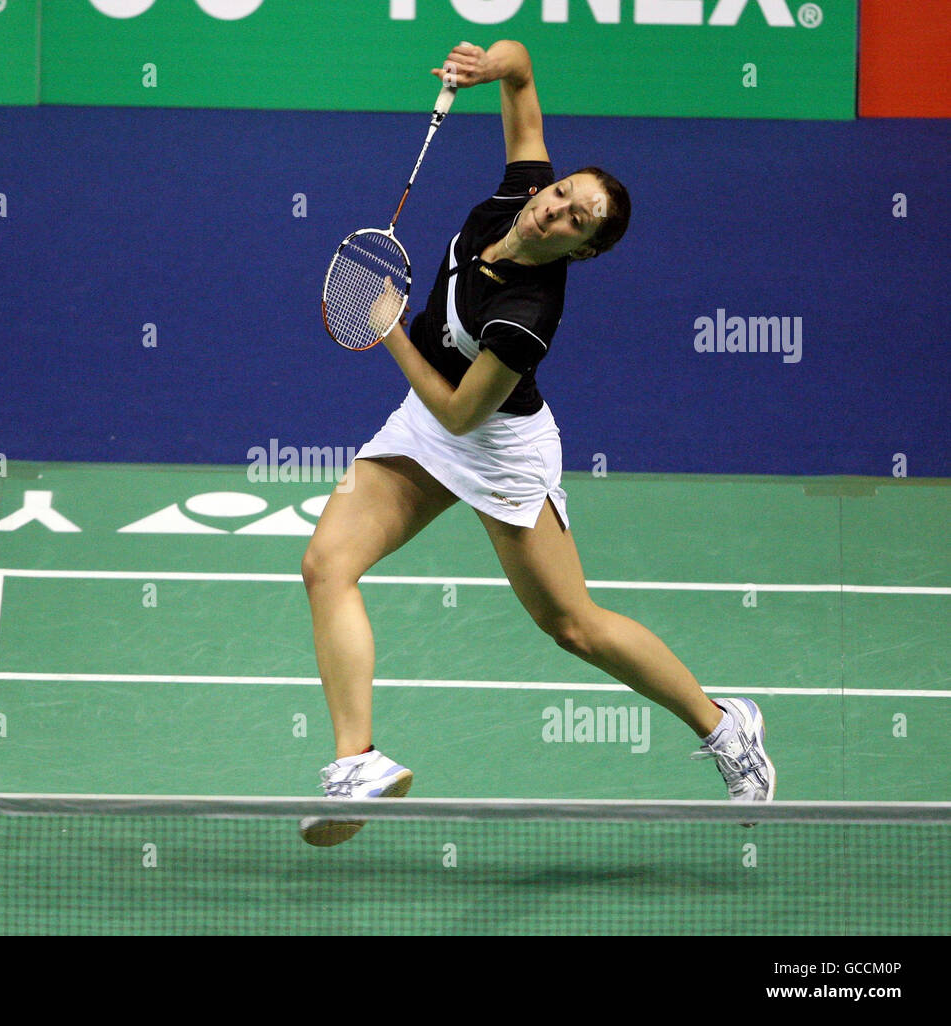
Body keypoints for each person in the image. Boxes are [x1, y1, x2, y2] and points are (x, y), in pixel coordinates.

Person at [299, 40, 775, 847]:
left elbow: (459, 416)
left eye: (573, 218)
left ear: (583, 249)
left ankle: (726, 724)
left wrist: (387, 329)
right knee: (326, 564)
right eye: (560, 193)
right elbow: (521, 72)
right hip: (429, 422)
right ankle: (358, 764)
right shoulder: (517, 196)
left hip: (497, 444)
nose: (552, 208)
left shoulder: (528, 313)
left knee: (572, 625)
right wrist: (488, 64)